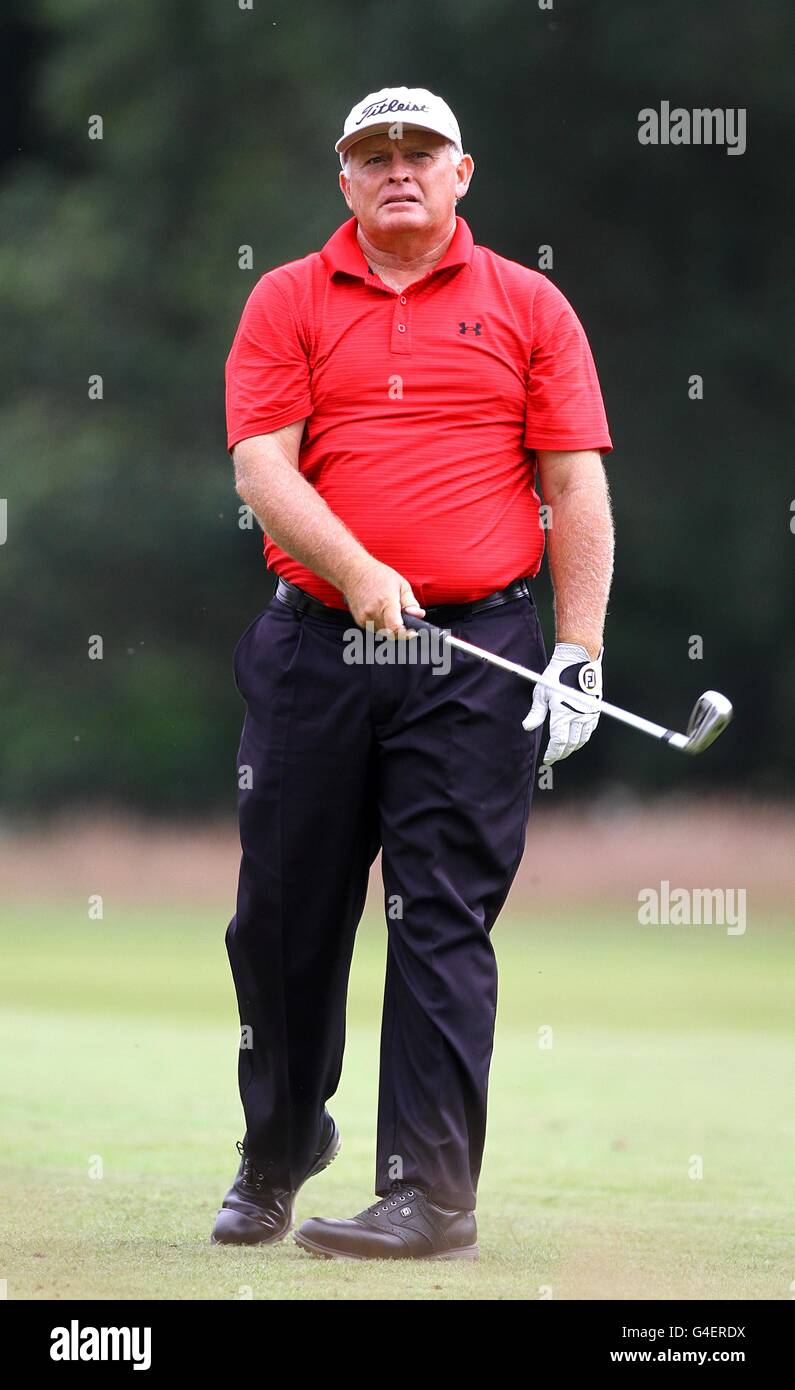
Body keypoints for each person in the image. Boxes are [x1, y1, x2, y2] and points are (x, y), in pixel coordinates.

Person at [211, 86, 614, 1260]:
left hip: (474, 657)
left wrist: (578, 648)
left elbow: (574, 483)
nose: (397, 168)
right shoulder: (287, 298)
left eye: (419, 152)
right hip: (316, 647)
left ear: (461, 173)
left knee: (439, 919)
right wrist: (357, 564)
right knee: (280, 923)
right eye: (372, 153)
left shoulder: (529, 306)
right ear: (344, 179)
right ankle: (280, 1148)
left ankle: (430, 1194)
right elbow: (260, 467)